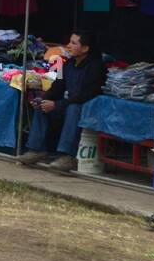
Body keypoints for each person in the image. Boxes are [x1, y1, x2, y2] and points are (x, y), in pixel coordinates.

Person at [19, 30, 107, 171]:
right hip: (68, 104)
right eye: (69, 42)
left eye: (74, 43)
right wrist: (43, 98)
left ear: (85, 48)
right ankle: (36, 150)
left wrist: (57, 104)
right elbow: (57, 87)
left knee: (73, 108)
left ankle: (68, 156)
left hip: (87, 108)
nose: (68, 46)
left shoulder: (97, 67)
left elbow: (85, 95)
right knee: (42, 105)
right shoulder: (67, 64)